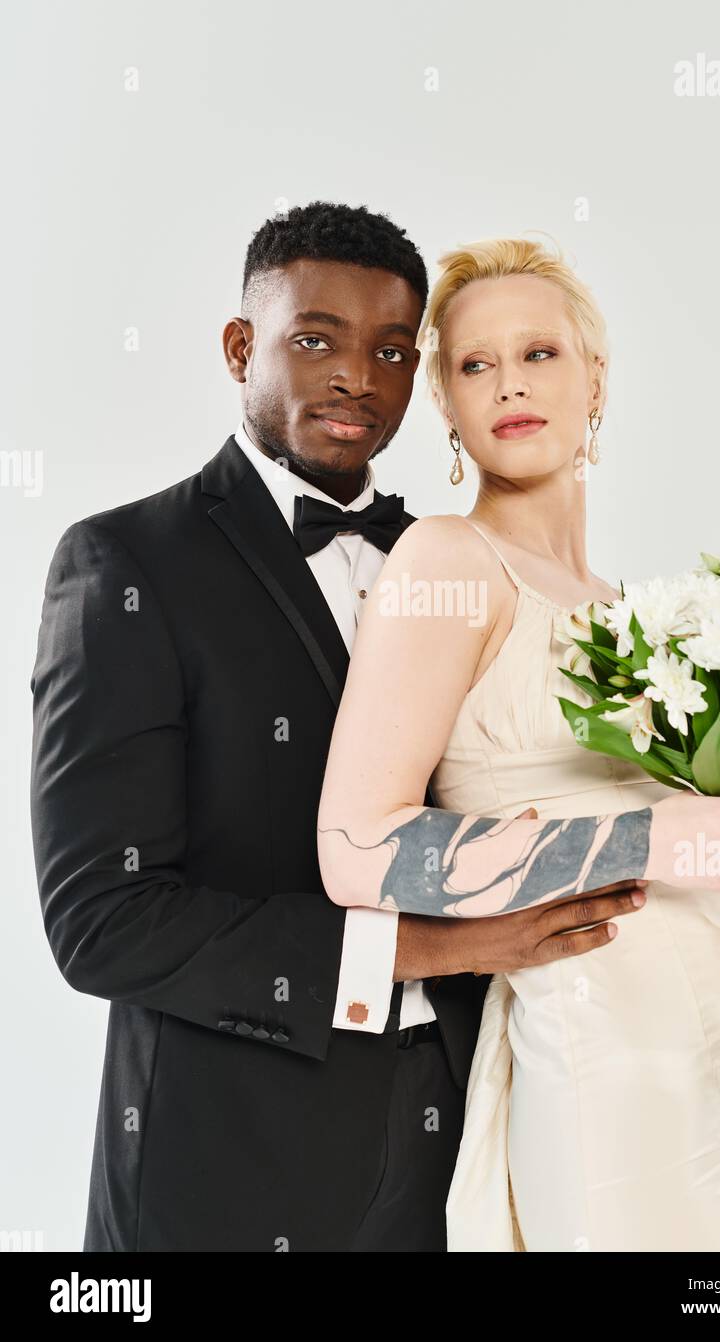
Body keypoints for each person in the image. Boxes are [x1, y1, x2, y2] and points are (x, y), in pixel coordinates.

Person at [30, 203, 649, 1252]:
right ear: (240, 347)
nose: (357, 376)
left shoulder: (455, 557)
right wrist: (425, 948)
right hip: (224, 1163)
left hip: (458, 1142)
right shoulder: (126, 563)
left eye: (394, 350)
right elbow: (101, 919)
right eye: (314, 338)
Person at [316, 235, 720, 1251]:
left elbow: (672, 828)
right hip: (597, 1044)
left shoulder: (633, 610)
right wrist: (653, 838)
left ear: (596, 377)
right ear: (446, 411)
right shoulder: (447, 561)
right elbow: (354, 849)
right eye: (472, 363)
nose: (509, 383)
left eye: (538, 352)